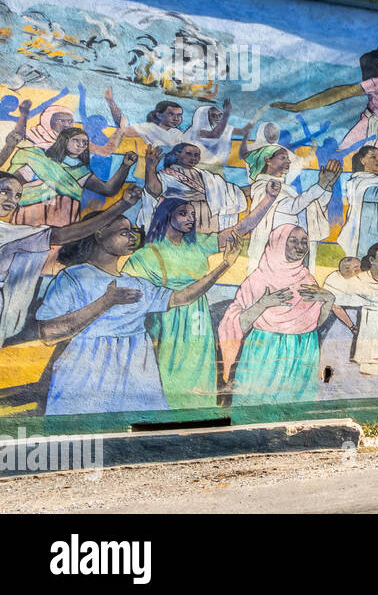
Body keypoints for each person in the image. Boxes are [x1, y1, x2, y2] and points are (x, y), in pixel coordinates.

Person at [36, 213, 238, 415]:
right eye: (124, 232)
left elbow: (181, 298)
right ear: (99, 233)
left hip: (137, 376)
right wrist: (105, 302)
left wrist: (225, 265)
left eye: (133, 231)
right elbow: (48, 333)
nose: (133, 237)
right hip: (86, 374)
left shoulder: (136, 283)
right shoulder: (73, 277)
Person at [123, 193, 275, 408]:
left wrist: (269, 198)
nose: (190, 218)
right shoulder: (146, 255)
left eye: (193, 214)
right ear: (166, 216)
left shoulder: (197, 244)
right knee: (168, 375)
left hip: (198, 321)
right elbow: (132, 295)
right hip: (168, 323)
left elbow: (240, 229)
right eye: (183, 213)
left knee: (201, 371)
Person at [0, 174, 143, 348]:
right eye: (5, 192)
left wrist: (123, 204)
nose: (12, 200)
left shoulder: (13, 234)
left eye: (17, 196)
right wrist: (123, 204)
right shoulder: (8, 234)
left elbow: (64, 235)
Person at [219, 225, 336, 406]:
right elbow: (236, 324)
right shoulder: (259, 279)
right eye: (293, 241)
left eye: (304, 241)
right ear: (278, 243)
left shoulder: (306, 278)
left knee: (296, 407)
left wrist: (328, 299)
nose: (300, 246)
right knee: (257, 406)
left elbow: (314, 323)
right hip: (266, 351)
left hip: (304, 350)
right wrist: (263, 304)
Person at [5, 128, 138, 227]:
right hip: (31, 214)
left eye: (85, 142)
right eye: (76, 140)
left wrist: (125, 166)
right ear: (64, 140)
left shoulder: (81, 171)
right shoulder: (39, 160)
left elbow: (108, 190)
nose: (81, 145)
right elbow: (13, 184)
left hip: (63, 219)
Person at [244, 144, 341, 269]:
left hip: (298, 247)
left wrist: (327, 187)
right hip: (278, 250)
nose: (288, 161)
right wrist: (320, 185)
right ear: (268, 160)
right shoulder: (262, 186)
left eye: (287, 158)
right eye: (283, 158)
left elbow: (313, 207)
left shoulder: (286, 189)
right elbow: (293, 207)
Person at [323, 242, 378, 377]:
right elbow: (335, 298)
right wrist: (350, 325)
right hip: (346, 345)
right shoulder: (357, 281)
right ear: (372, 260)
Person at [142, 142, 250, 233]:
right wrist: (150, 169)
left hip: (208, 220)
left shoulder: (207, 176)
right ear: (178, 154)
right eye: (189, 154)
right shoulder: (168, 174)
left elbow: (231, 192)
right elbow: (154, 190)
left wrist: (255, 188)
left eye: (196, 155)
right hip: (181, 220)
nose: (193, 158)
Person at [188, 101, 237, 166]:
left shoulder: (211, 129)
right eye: (213, 116)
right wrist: (226, 114)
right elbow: (215, 135)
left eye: (219, 115)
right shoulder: (196, 131)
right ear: (204, 116)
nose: (217, 118)